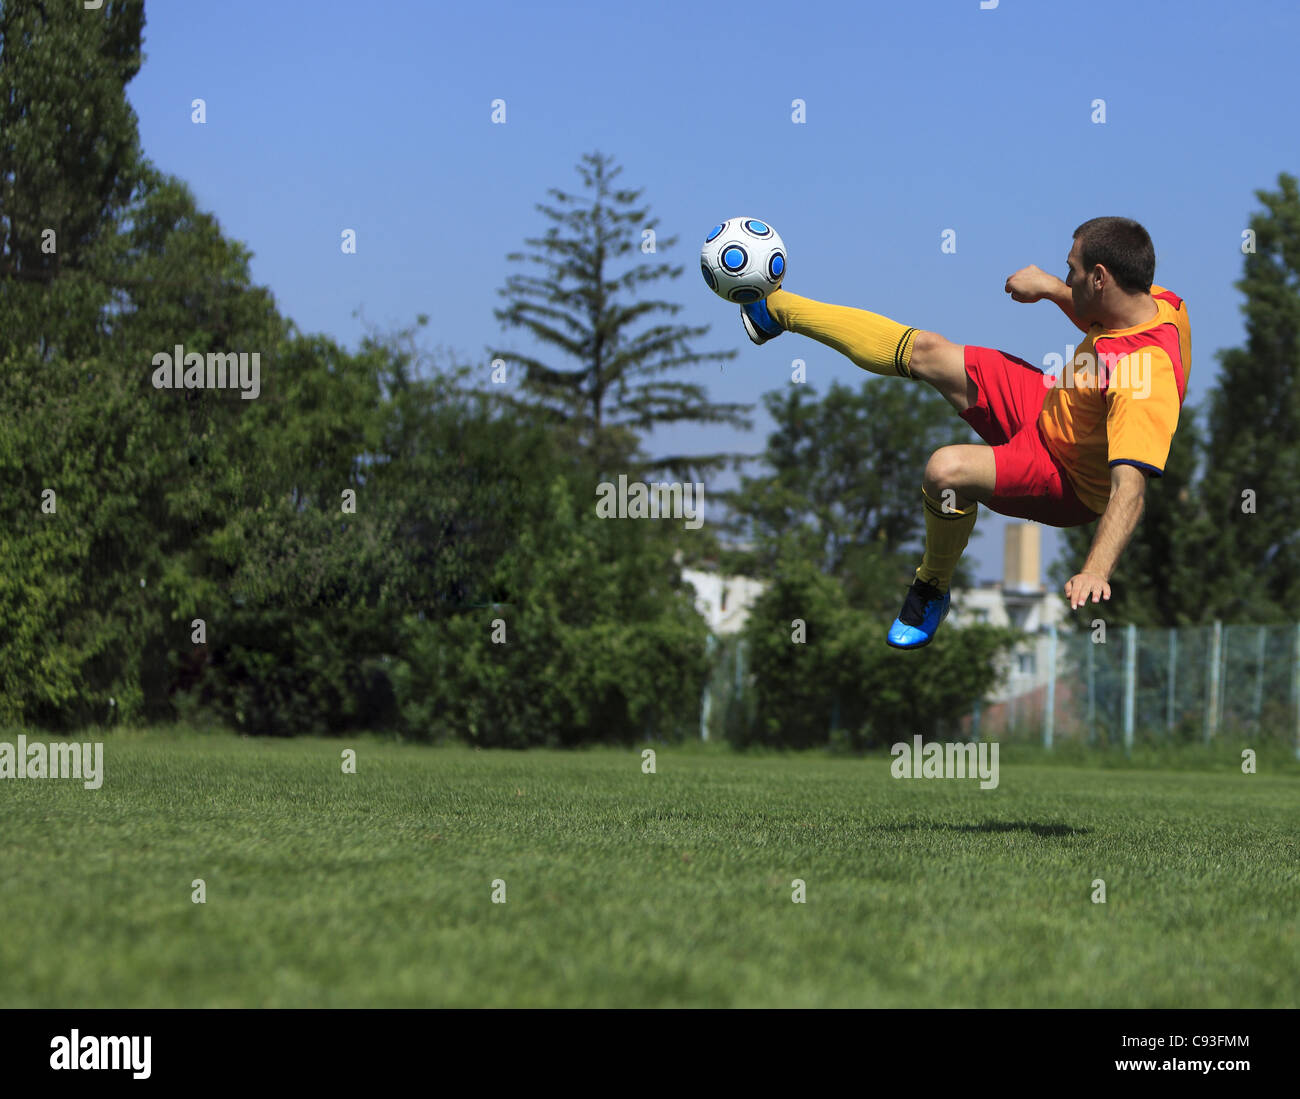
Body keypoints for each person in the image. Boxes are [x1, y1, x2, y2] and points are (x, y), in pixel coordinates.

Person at [738, 217, 1191, 648]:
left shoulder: (1143, 378)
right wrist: (1053, 290)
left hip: (1064, 478)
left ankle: (932, 585)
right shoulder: (1162, 303)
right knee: (930, 351)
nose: (1064, 276)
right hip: (1053, 404)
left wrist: (1096, 569)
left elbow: (1130, 489)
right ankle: (774, 309)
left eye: (1069, 270)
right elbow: (1105, 315)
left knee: (945, 470)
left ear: (1098, 277)